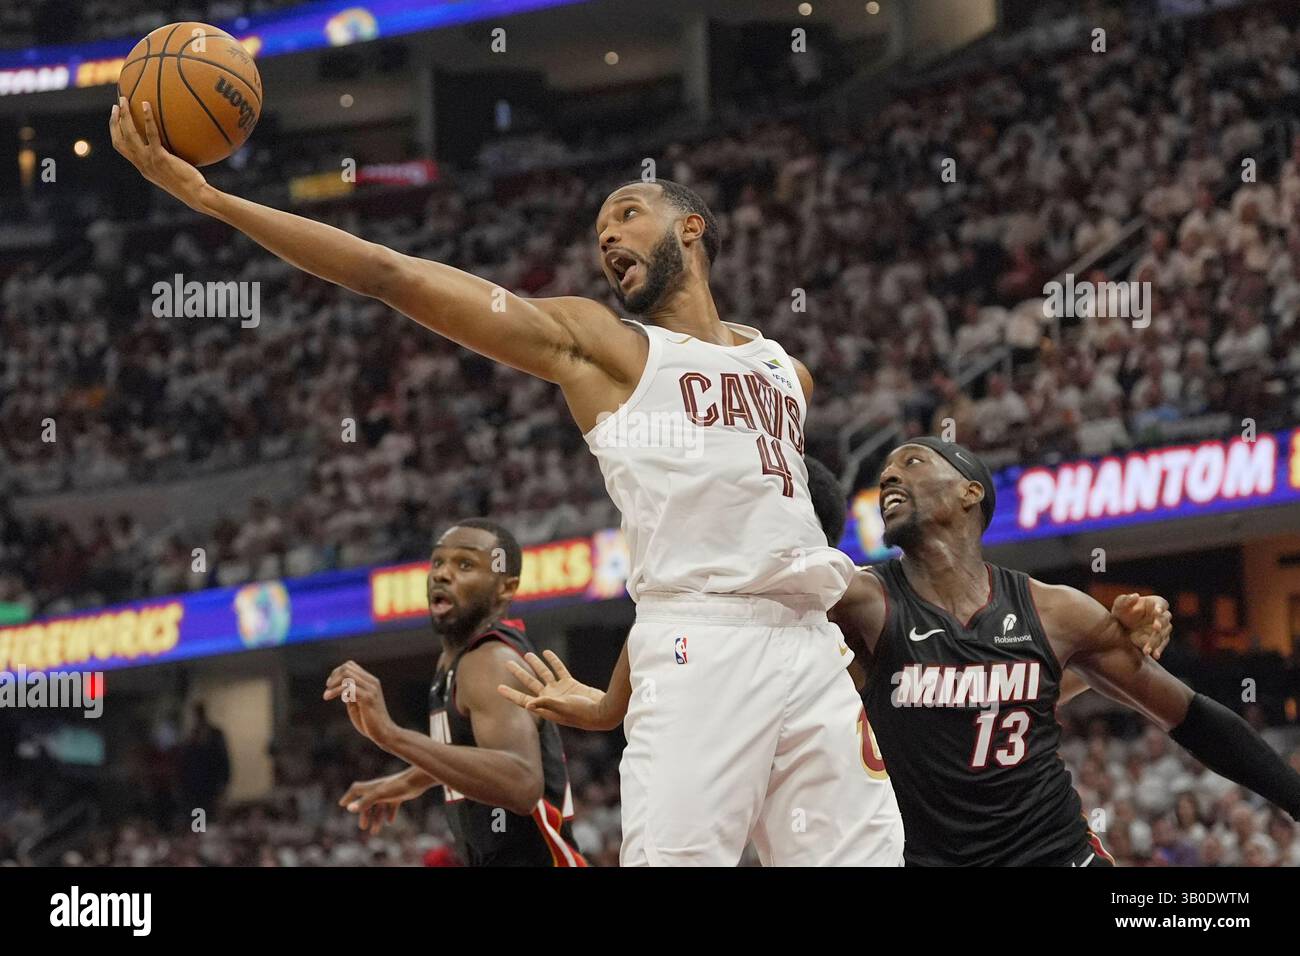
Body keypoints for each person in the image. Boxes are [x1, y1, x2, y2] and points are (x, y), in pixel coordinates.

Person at [113, 101, 901, 866]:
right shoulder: (602, 345)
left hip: (809, 648)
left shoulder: (783, 369)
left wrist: (606, 704)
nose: (608, 238)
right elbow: (392, 273)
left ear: (691, 229)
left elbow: (738, 541)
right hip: (700, 653)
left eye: (626, 214)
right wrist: (212, 199)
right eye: (600, 233)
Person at [506, 445, 1300, 865]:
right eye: (884, 471)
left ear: (970, 495)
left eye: (915, 461)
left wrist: (1291, 794)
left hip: (1057, 854)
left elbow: (1190, 716)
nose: (891, 474)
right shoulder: (861, 597)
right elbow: (706, 585)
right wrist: (613, 703)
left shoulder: (1056, 612)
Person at [328, 519, 585, 866]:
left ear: (505, 588)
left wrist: (391, 735)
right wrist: (407, 782)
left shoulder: (491, 660)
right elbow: (473, 752)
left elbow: (521, 784)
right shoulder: (455, 662)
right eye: (438, 562)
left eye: (465, 564)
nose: (442, 574)